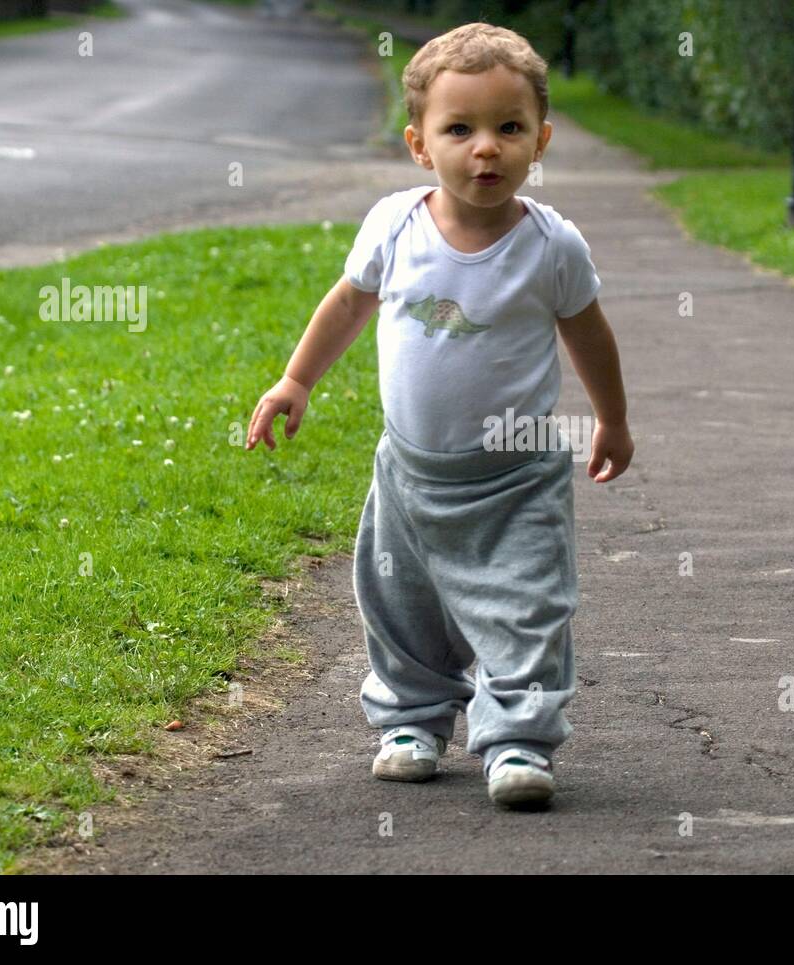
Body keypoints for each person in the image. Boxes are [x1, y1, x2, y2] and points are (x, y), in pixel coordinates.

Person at [245, 21, 633, 808]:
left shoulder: (552, 246)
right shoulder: (394, 224)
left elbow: (588, 332)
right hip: (412, 474)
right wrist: (296, 381)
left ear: (541, 140)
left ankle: (519, 739)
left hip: (516, 474)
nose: (485, 148)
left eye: (509, 128)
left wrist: (612, 418)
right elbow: (348, 305)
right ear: (420, 144)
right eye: (460, 129)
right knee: (399, 602)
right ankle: (412, 720)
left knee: (528, 605)